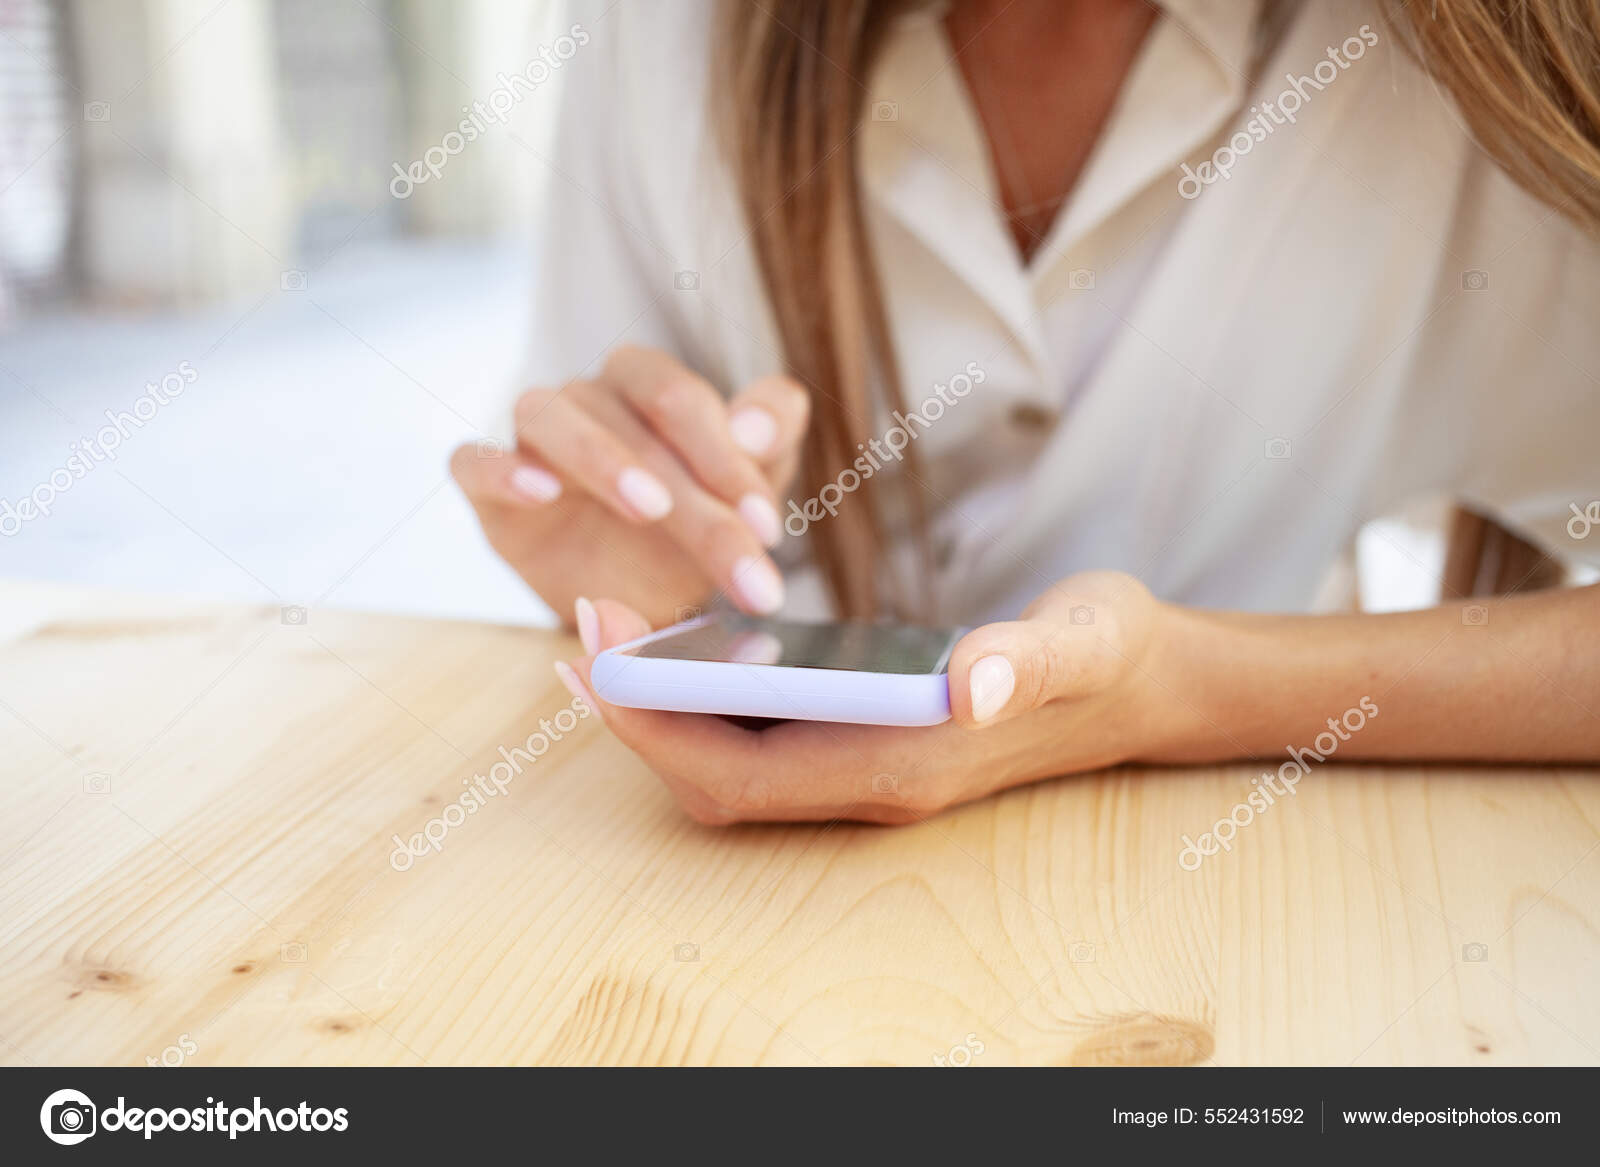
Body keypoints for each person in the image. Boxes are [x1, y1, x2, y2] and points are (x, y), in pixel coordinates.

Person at [451, 0, 1600, 823]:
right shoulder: (661, 30)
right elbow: (632, 513)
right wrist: (648, 568)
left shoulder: (1472, 66)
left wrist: (1190, 688)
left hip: (1240, 899)